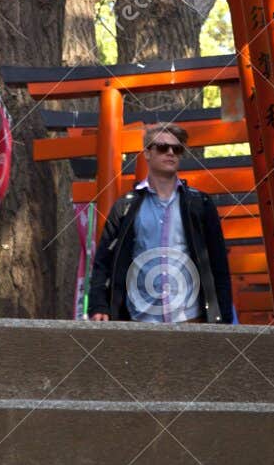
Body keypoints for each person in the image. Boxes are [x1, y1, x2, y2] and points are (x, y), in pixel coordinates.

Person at [88, 121, 233, 323]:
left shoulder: (200, 204)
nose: (171, 153)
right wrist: (99, 305)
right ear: (147, 153)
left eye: (177, 149)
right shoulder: (125, 207)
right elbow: (103, 260)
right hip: (139, 319)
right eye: (163, 147)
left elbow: (218, 265)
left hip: (190, 318)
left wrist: (223, 318)